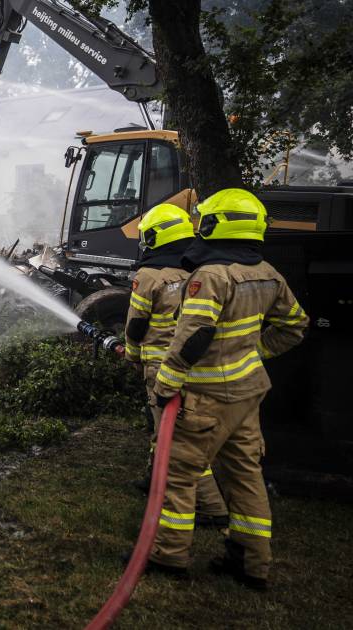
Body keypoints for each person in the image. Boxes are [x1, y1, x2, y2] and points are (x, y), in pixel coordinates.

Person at [149, 188, 309, 590]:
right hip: (248, 392)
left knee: (178, 476)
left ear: (216, 225)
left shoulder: (211, 276)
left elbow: (195, 335)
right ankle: (252, 563)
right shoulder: (269, 273)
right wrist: (253, 351)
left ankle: (168, 557)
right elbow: (295, 325)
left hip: (206, 397)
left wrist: (166, 382)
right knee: (244, 476)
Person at [123, 203, 227, 526]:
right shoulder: (197, 272)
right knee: (163, 428)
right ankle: (154, 479)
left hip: (160, 367)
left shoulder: (148, 276)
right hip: (194, 365)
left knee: (177, 440)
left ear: (157, 237)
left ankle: (212, 508)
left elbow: (136, 325)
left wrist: (130, 354)